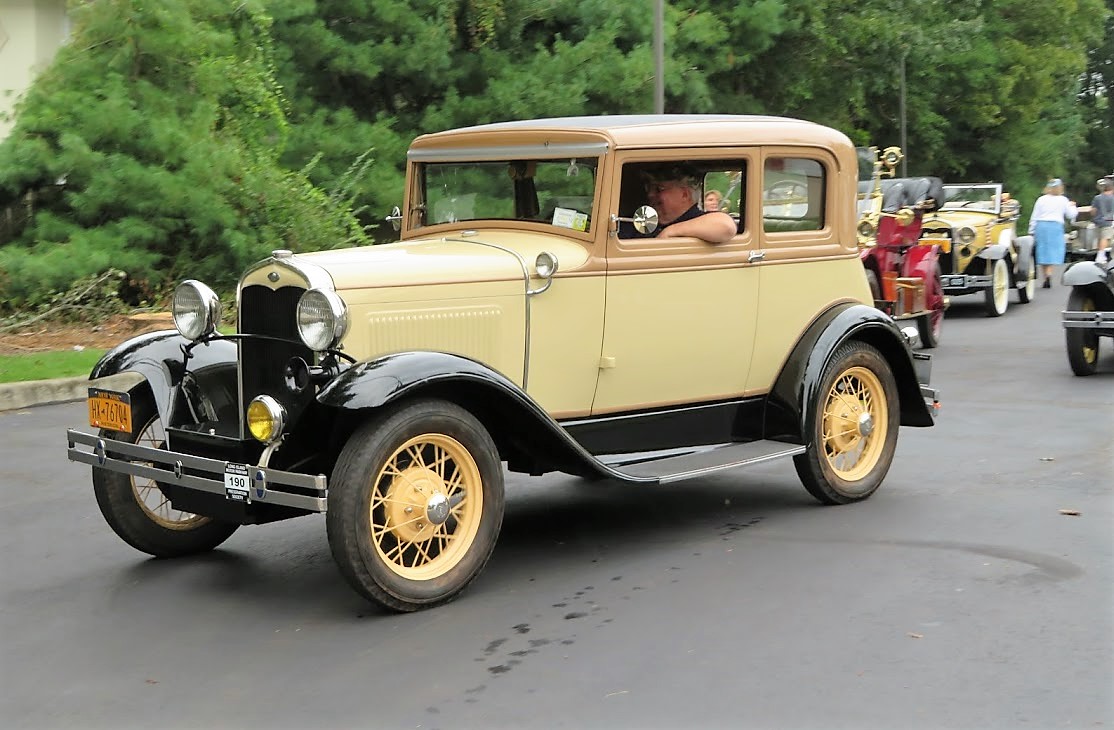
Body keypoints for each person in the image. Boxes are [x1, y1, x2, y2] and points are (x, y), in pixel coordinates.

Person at [621, 164, 736, 243]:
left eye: (659, 189)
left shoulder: (700, 220)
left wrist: (671, 231)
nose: (650, 194)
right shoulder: (641, 221)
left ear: (684, 195)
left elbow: (726, 226)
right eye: (649, 188)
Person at [1028, 178, 1078, 287]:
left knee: (1043, 251)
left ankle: (1046, 275)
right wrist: (1073, 206)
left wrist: (1031, 230)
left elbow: (1035, 215)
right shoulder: (1063, 200)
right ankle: (1049, 273)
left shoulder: (1041, 199)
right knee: (1052, 251)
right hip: (1055, 226)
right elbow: (1071, 215)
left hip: (1042, 226)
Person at [1090, 177, 1113, 264]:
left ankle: (1100, 254)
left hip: (1098, 221)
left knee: (1100, 238)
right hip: (1108, 221)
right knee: (1105, 238)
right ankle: (1101, 256)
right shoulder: (1112, 198)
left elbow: (1093, 211)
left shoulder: (1097, 197)